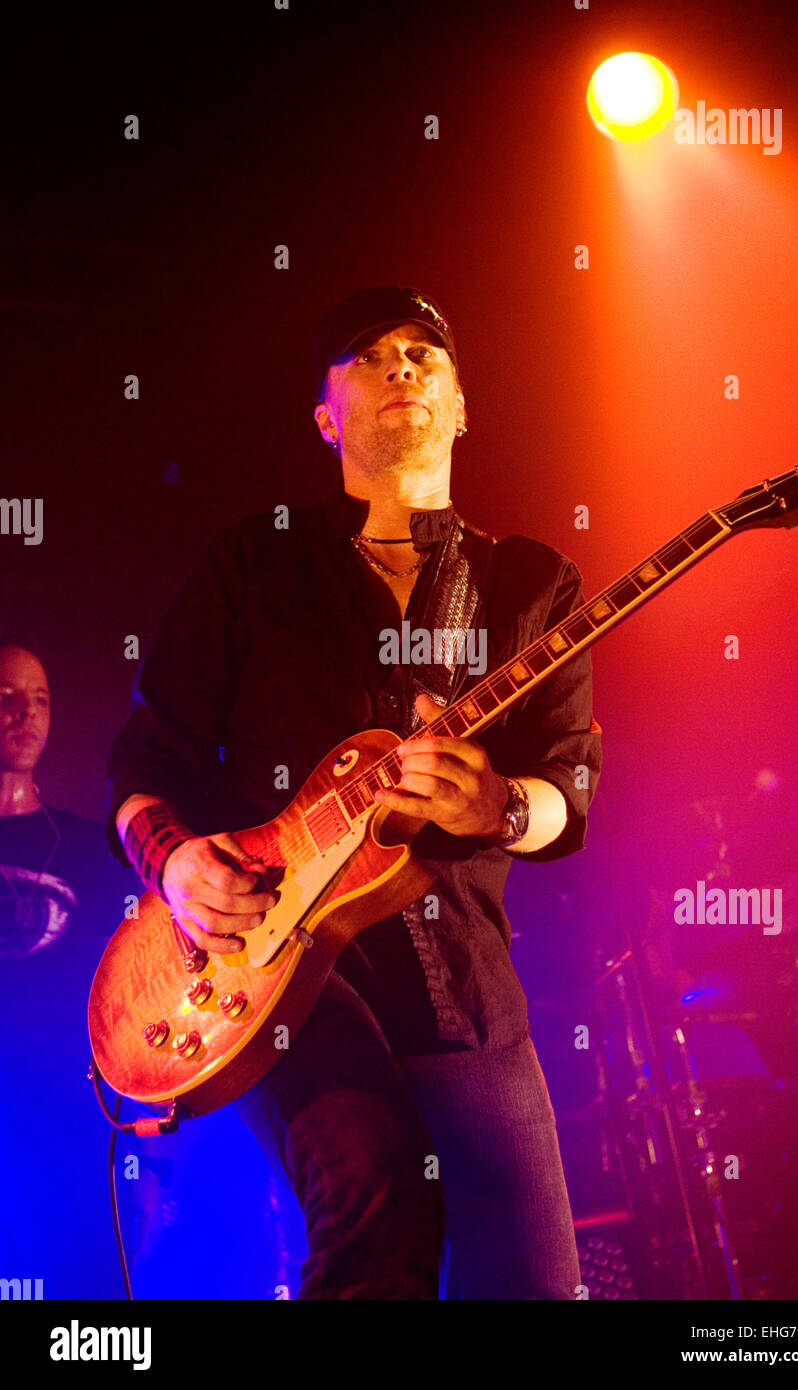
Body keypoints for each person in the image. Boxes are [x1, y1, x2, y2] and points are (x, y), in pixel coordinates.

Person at [105, 284, 602, 1299]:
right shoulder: (255, 563)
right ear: (326, 415)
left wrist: (498, 807)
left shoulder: (530, 583)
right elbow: (145, 756)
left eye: (425, 352)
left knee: (536, 1287)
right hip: (273, 975)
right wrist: (175, 859)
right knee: (377, 1201)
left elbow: (567, 786)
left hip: (458, 980)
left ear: (461, 403)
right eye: (370, 355)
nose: (403, 366)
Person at [0, 637, 136, 1296]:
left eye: (40, 700)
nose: (24, 714)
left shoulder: (88, 850)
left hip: (69, 1131)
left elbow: (128, 999)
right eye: (6, 697)